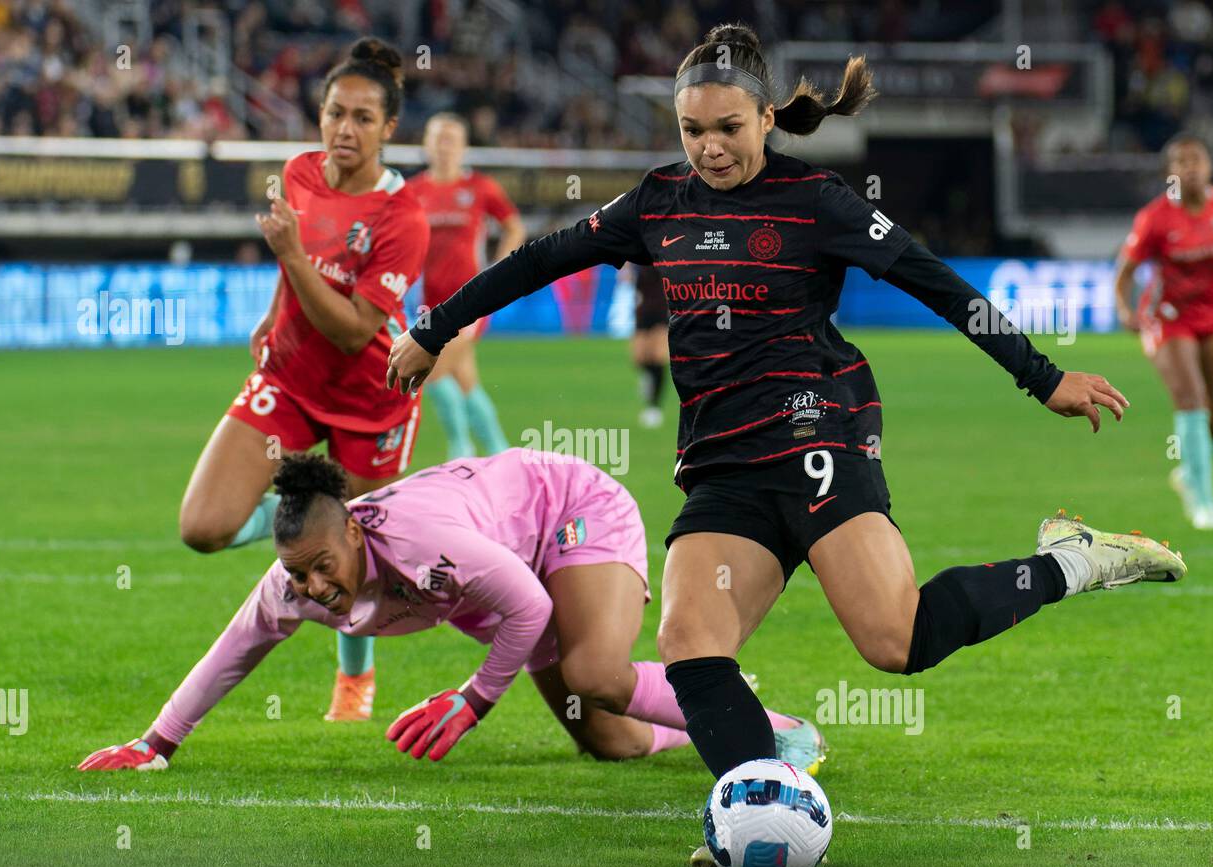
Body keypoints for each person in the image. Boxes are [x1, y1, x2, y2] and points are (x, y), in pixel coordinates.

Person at [387, 22, 1187, 792]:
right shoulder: (657, 204)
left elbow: (934, 281)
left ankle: (1073, 562)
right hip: (721, 462)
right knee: (691, 645)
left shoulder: (817, 200)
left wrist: (1041, 377)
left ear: (768, 118)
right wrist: (435, 327)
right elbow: (540, 259)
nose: (709, 147)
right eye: (692, 129)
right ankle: (757, 798)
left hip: (818, 434)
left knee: (893, 642)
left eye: (729, 127)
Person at [78, 450, 825, 771]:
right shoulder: (296, 578)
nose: (311, 589)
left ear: (354, 529)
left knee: (595, 669)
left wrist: (473, 701)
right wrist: (157, 743)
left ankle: (776, 734)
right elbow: (231, 652)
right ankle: (719, 715)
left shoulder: (416, 539)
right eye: (296, 577)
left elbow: (529, 605)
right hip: (506, 567)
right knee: (611, 742)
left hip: (571, 511)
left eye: (319, 570)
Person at [177, 38, 430, 723]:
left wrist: (290, 254)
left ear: (388, 129)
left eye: (362, 118)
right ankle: (294, 511)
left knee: (354, 555)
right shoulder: (298, 172)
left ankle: (355, 680)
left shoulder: (402, 217)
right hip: (289, 379)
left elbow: (353, 329)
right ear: (318, 115)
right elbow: (296, 263)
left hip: (370, 396)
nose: (345, 129)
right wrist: (270, 312)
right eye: (334, 113)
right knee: (202, 526)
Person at [1114, 133, 1213, 530]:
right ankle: (1203, 500)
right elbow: (1124, 273)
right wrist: (1125, 309)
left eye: (1196, 159)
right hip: (1167, 315)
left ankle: (1188, 471)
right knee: (1191, 398)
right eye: (1180, 162)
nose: (1190, 167)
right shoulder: (1156, 218)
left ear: (1209, 166)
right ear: (1170, 174)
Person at [405, 113, 526, 460]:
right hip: (427, 304)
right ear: (426, 145)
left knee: (431, 369)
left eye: (451, 140)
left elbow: (514, 227)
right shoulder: (413, 192)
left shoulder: (479, 188)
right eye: (438, 139)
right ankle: (499, 452)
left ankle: (460, 450)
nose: (444, 147)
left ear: (463, 147)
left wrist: (500, 270)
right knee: (463, 377)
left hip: (472, 300)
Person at [632, 262, 671, 428]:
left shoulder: (666, 263)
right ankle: (647, 380)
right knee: (639, 357)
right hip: (643, 314)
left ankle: (654, 407)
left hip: (661, 314)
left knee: (658, 358)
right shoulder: (641, 266)